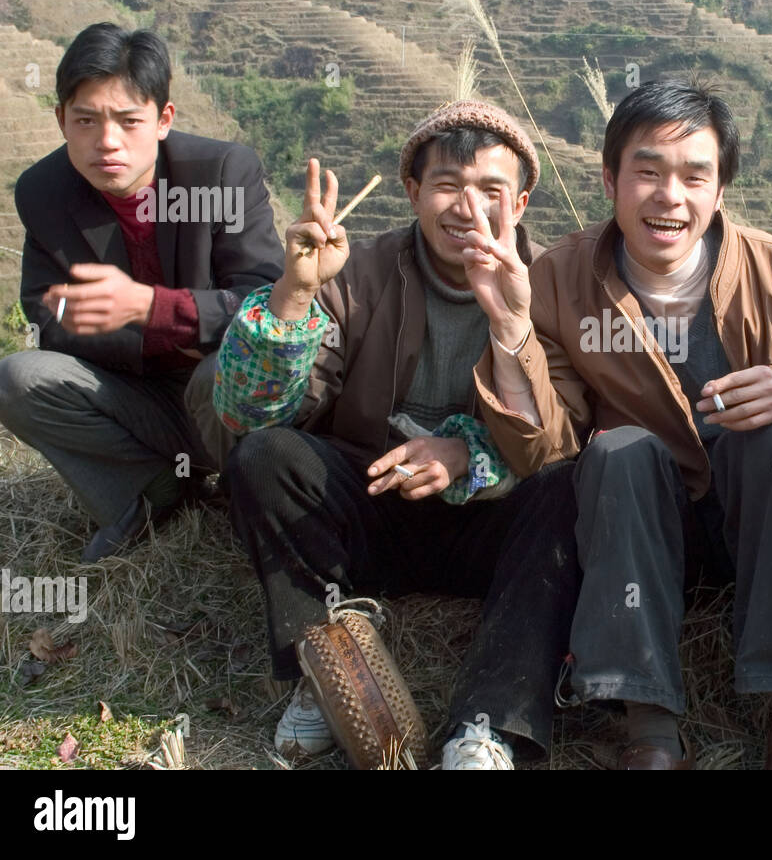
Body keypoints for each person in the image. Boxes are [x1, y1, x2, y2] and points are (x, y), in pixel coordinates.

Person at [462, 79, 772, 769]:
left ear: (720, 190)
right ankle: (649, 728)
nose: (670, 197)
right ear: (610, 179)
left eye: (694, 176)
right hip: (645, 534)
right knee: (619, 451)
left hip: (768, 529)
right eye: (647, 172)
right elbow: (549, 451)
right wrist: (511, 328)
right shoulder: (560, 280)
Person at [212, 100, 579, 770]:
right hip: (372, 507)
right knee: (264, 456)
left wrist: (470, 451)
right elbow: (252, 417)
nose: (467, 208)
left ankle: (489, 724)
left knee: (568, 488)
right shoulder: (355, 273)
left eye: (491, 191)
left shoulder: (555, 289)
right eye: (447, 186)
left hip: (490, 526)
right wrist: (294, 294)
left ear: (520, 203)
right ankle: (326, 671)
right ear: (413, 192)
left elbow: (558, 439)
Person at [0, 22, 282, 563]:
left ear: (163, 119)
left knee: (231, 364)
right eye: (86, 121)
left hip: (217, 392)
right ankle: (153, 490)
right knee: (16, 379)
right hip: (133, 394)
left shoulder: (220, 173)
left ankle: (252, 495)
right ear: (61, 121)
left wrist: (150, 309)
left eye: (128, 121)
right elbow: (48, 318)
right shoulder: (45, 191)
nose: (107, 142)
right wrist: (159, 336)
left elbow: (265, 302)